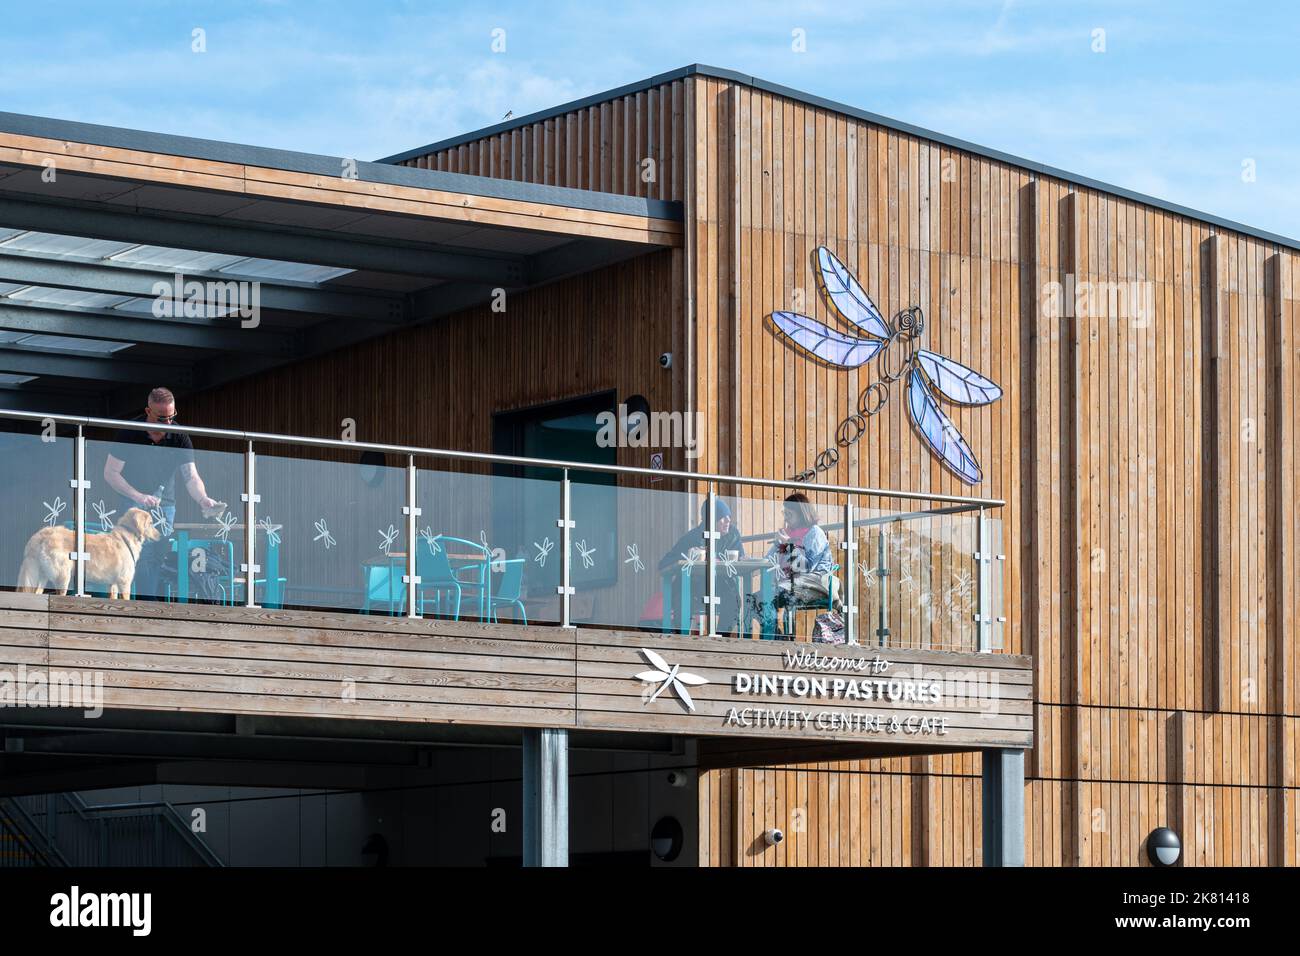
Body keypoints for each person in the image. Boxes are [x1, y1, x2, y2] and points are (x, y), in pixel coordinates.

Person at [103, 387, 222, 598]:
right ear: (148, 411)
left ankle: (150, 605)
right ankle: (134, 604)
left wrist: (203, 499)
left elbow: (191, 476)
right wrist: (138, 496)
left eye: (171, 416)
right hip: (131, 503)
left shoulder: (178, 436)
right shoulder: (129, 431)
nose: (167, 423)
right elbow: (111, 473)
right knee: (134, 554)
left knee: (159, 554)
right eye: (161, 418)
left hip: (164, 506)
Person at [751, 492, 842, 640]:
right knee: (753, 600)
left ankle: (773, 638)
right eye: (784, 513)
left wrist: (788, 545)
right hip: (790, 584)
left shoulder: (814, 533)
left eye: (789, 514)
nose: (785, 517)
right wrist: (777, 544)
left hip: (814, 584)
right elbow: (768, 560)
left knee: (766, 597)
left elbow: (807, 568)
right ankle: (776, 637)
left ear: (801, 513)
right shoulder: (788, 533)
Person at [656, 497, 744, 634]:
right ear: (711, 520)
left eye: (729, 516)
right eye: (722, 517)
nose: (728, 520)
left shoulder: (732, 534)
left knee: (734, 601)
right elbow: (663, 564)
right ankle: (682, 642)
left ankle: (720, 640)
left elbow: (741, 558)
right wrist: (686, 554)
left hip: (720, 585)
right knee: (682, 600)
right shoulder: (692, 537)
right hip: (692, 586)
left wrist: (742, 559)